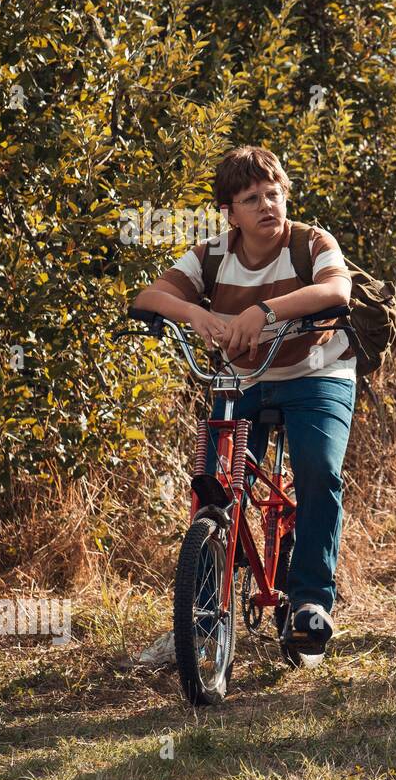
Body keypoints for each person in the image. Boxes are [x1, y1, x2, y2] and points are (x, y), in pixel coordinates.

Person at [133, 146, 356, 660]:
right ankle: (205, 617)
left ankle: (309, 605)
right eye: (251, 198)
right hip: (242, 381)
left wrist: (262, 310)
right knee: (213, 485)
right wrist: (195, 314)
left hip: (317, 375)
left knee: (320, 472)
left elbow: (337, 290)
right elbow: (149, 296)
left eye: (273, 194)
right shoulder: (212, 253)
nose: (266, 206)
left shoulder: (311, 242)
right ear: (230, 212)